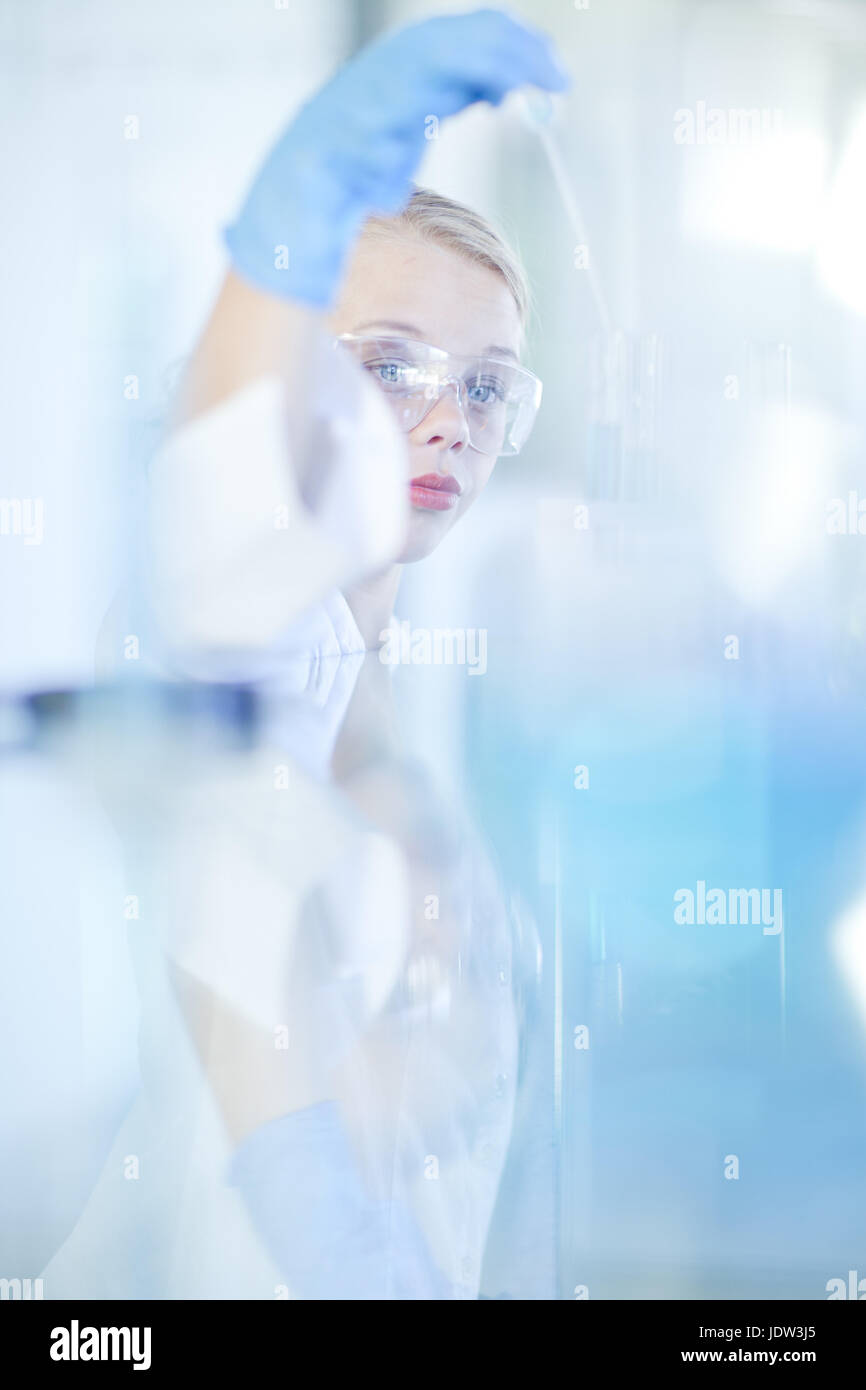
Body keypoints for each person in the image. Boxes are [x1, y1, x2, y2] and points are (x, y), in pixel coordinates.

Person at [143, 9, 568, 1300]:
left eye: (487, 385)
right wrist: (278, 244)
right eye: (391, 364)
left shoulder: (398, 667)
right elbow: (224, 463)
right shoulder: (259, 629)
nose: (447, 420)